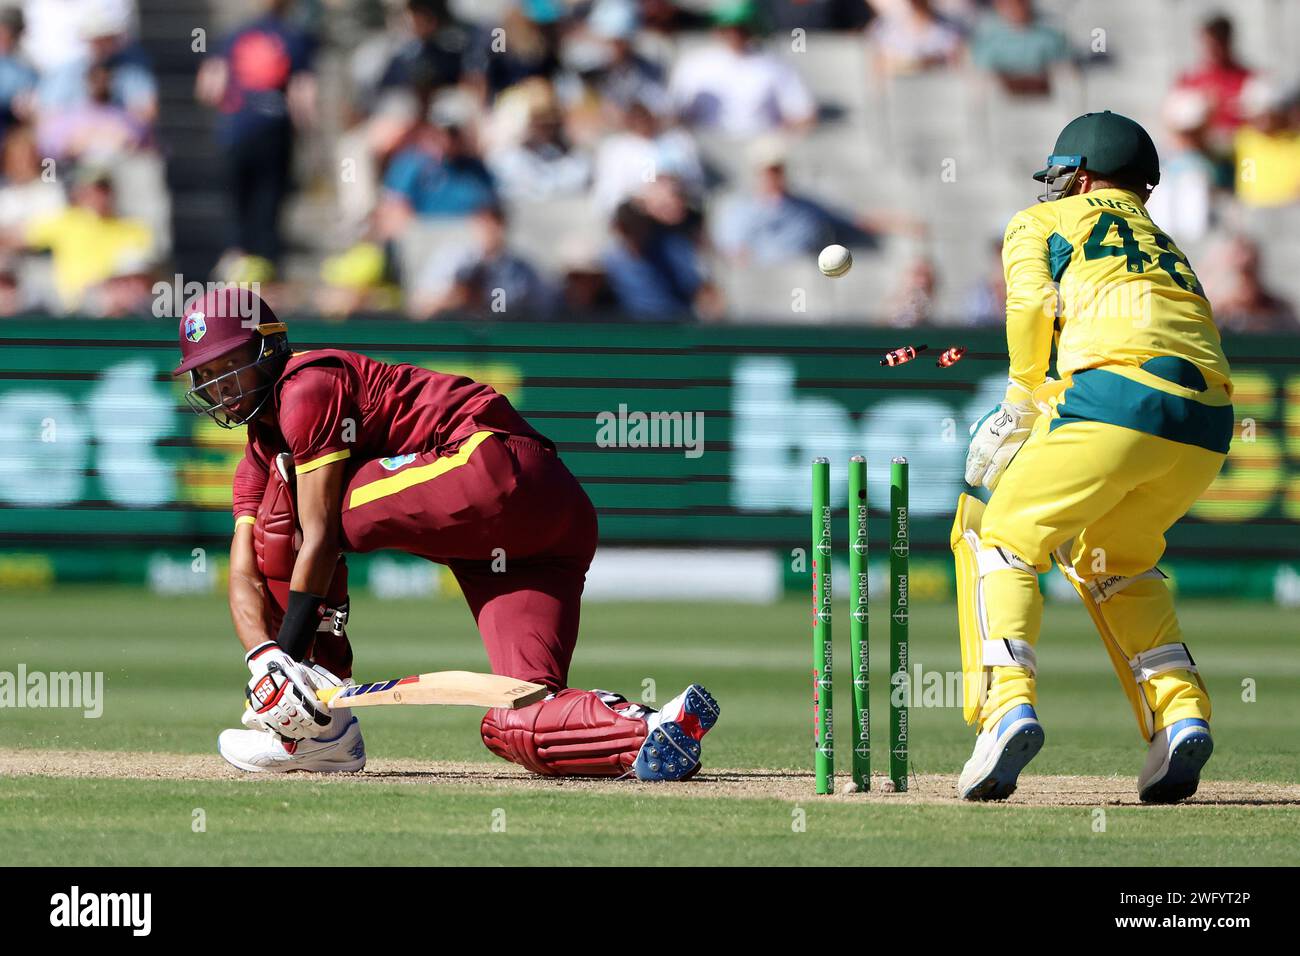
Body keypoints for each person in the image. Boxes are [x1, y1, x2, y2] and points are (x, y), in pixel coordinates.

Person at [173, 287, 718, 777]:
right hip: (537, 535)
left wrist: (293, 661)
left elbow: (316, 535)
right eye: (206, 375)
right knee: (517, 719)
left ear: (269, 349)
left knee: (306, 512)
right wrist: (263, 657)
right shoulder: (258, 458)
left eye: (232, 366)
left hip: (497, 463)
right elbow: (243, 567)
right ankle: (654, 727)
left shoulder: (307, 385)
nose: (221, 387)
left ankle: (320, 725)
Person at [954, 111, 1232, 804]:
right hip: (1207, 423)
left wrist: (1020, 400)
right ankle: (1179, 715)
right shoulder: (1163, 239)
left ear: (1079, 175)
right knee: (1116, 560)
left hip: (1118, 398)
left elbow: (1030, 303)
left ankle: (1005, 710)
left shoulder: (1042, 221)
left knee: (1003, 537)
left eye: (1059, 177)